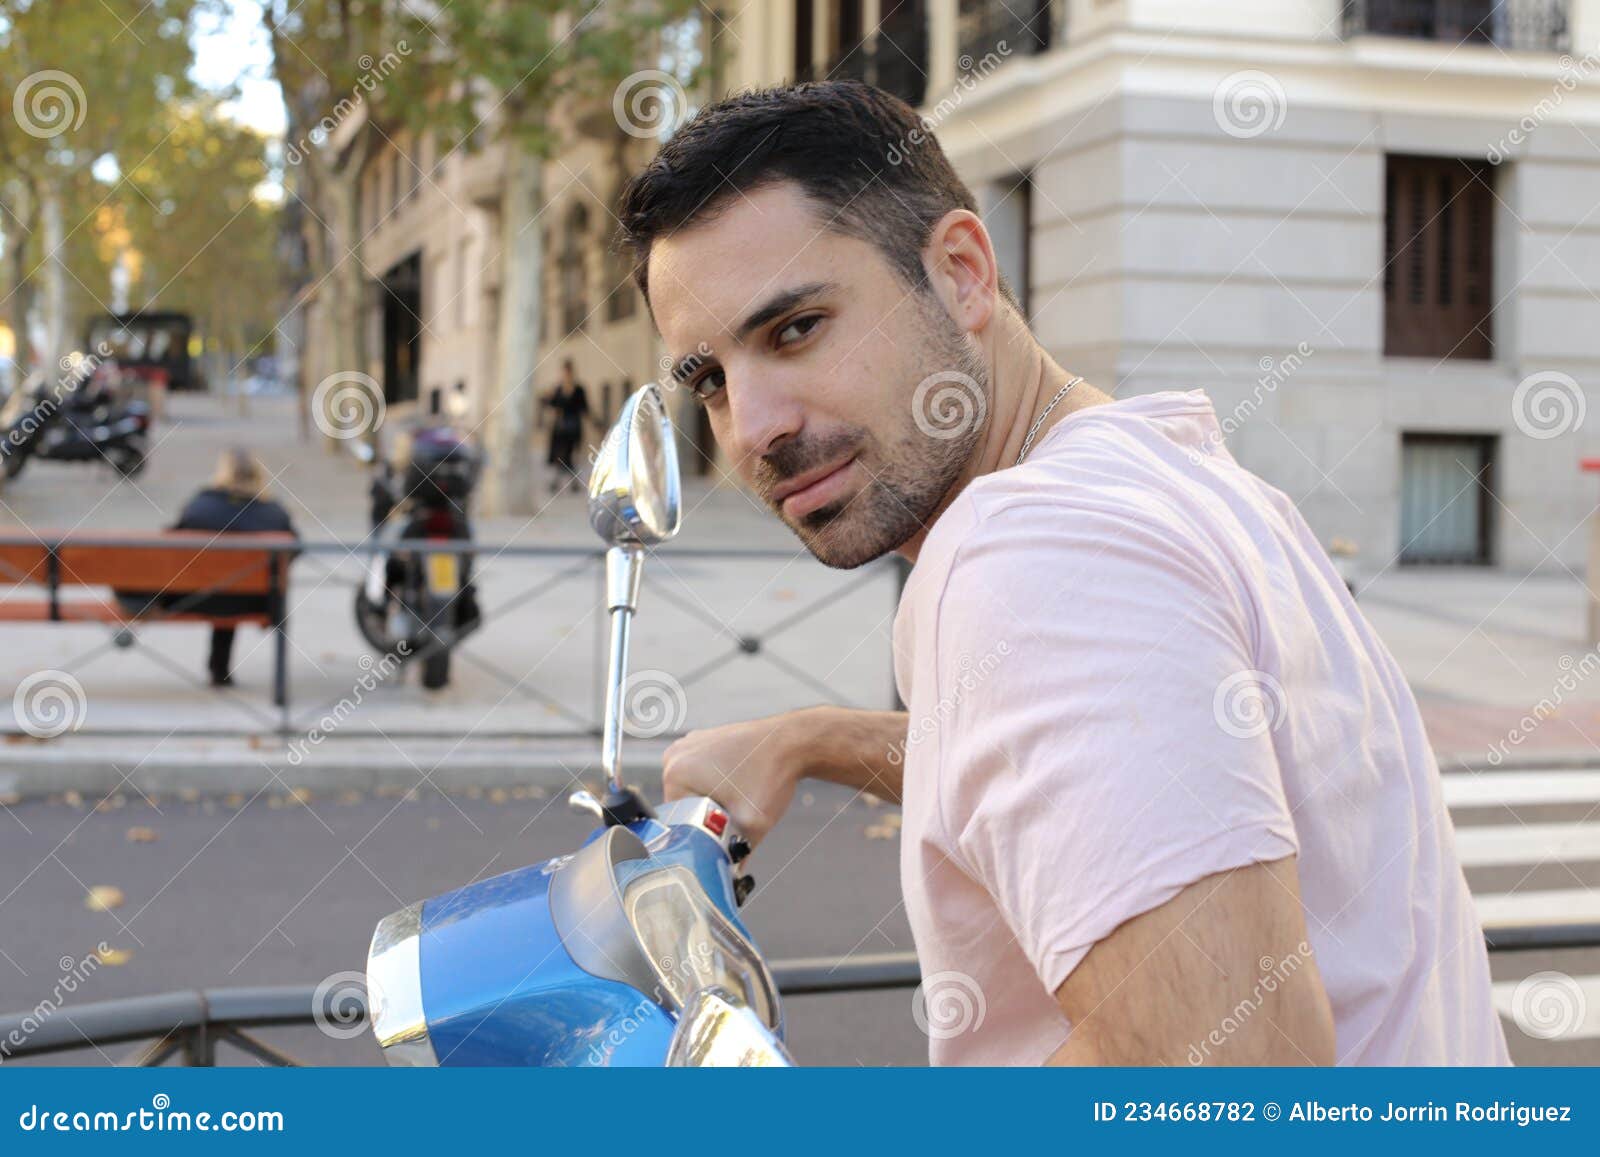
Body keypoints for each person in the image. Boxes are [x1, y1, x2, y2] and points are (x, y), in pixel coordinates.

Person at [618, 82, 1508, 1066]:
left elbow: (1230, 1072)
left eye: (796, 329)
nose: (755, 427)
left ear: (960, 273)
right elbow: (1070, 755)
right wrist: (810, 738)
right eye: (709, 379)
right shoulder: (1179, 480)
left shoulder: (1033, 551)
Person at [171, 448, 297, 686]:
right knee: (232, 586)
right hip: (256, 600)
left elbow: (173, 545)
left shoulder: (201, 507)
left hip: (195, 597)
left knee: (221, 585)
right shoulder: (274, 514)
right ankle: (223, 670)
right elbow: (294, 550)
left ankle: (219, 669)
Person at [541, 359, 589, 494]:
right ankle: (562, 482)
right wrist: (547, 397)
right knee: (560, 456)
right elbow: (550, 404)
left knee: (570, 456)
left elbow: (585, 408)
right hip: (560, 429)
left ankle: (568, 482)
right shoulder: (558, 389)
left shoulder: (578, 389)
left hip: (573, 428)